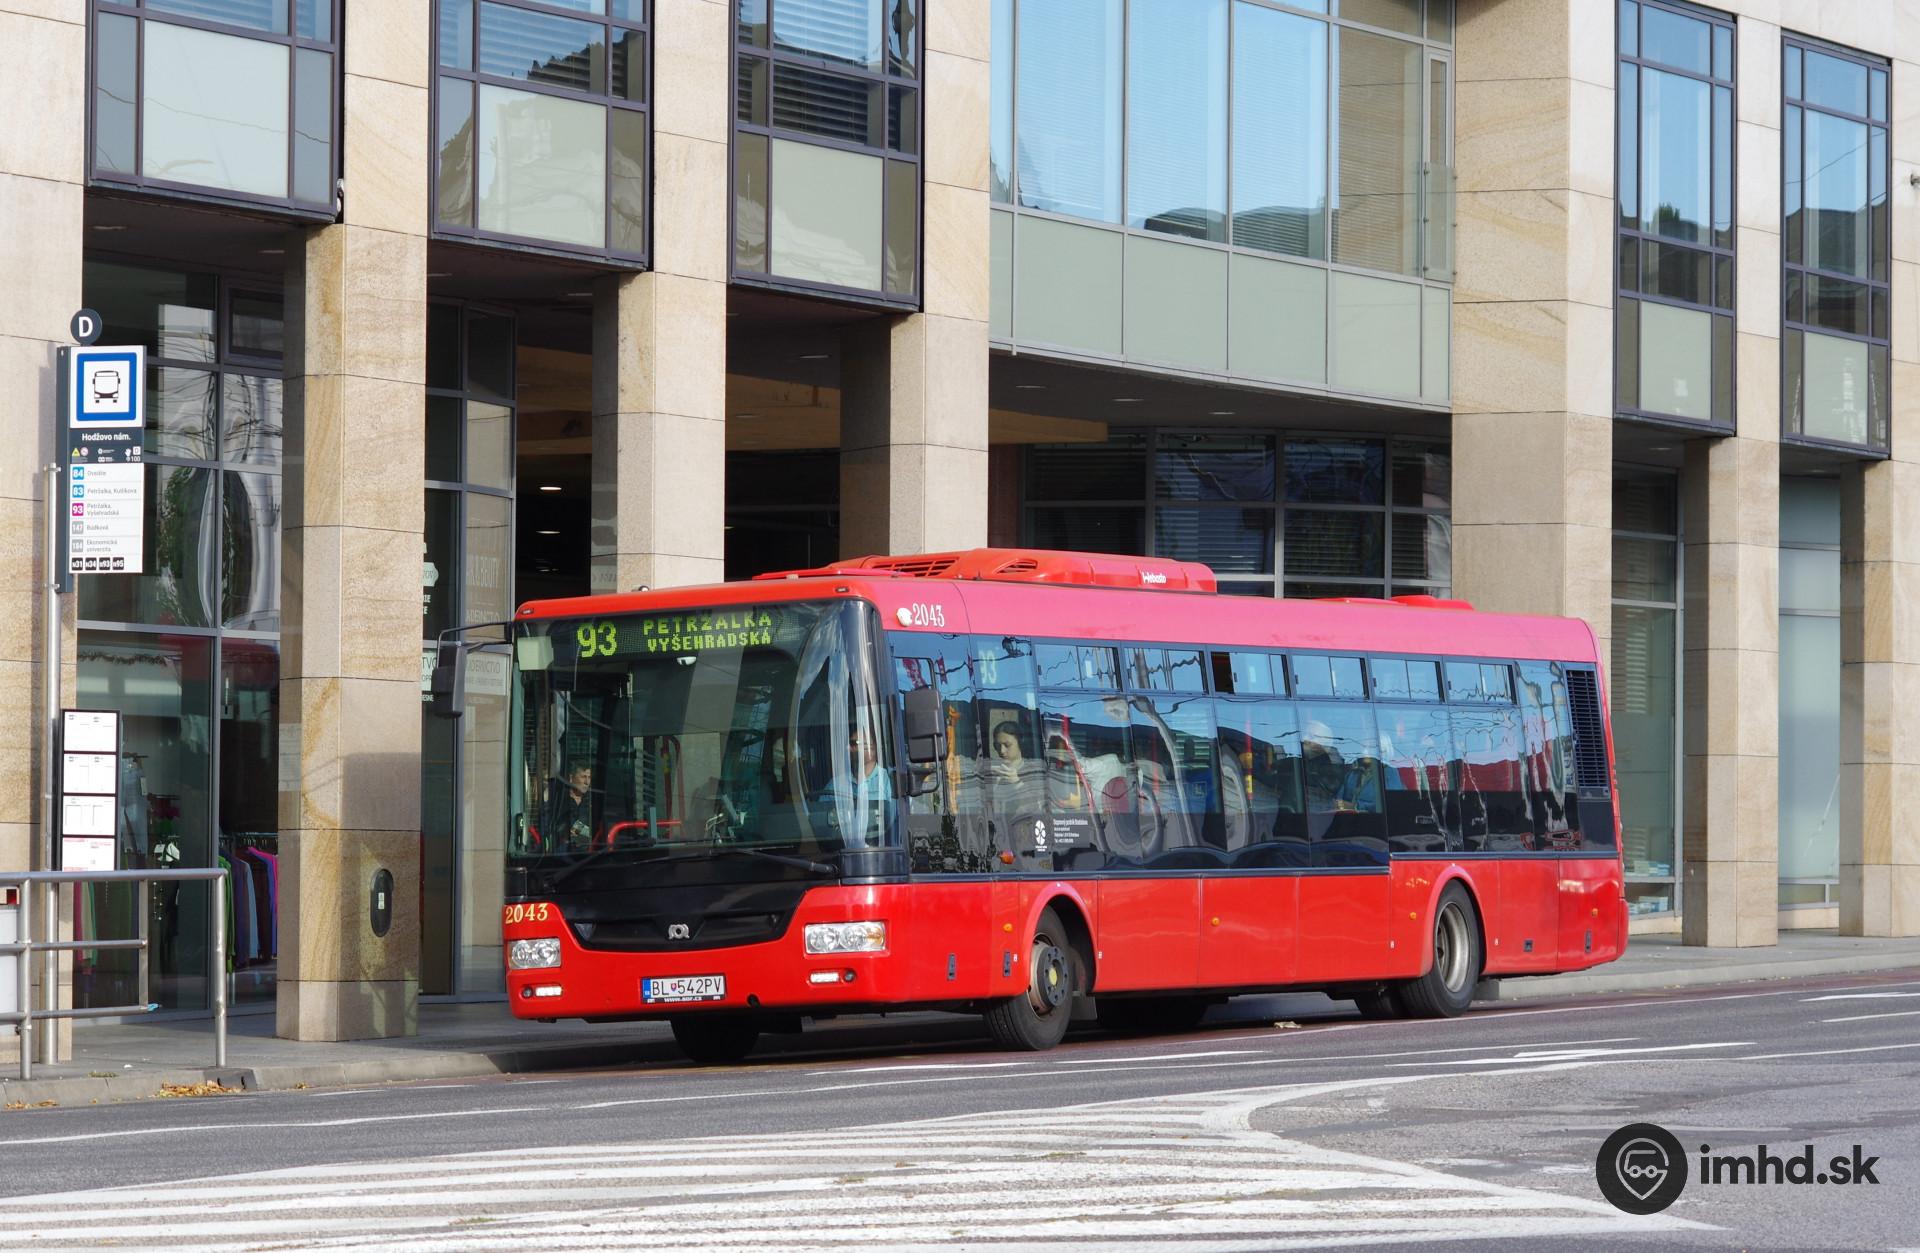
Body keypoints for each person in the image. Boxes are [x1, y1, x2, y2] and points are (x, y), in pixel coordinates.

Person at [542, 761, 597, 852]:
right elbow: (558, 827)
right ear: (571, 778)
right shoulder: (559, 800)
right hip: (564, 853)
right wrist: (587, 832)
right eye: (583, 777)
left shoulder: (592, 800)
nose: (587, 782)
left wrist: (578, 830)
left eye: (589, 777)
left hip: (590, 853)